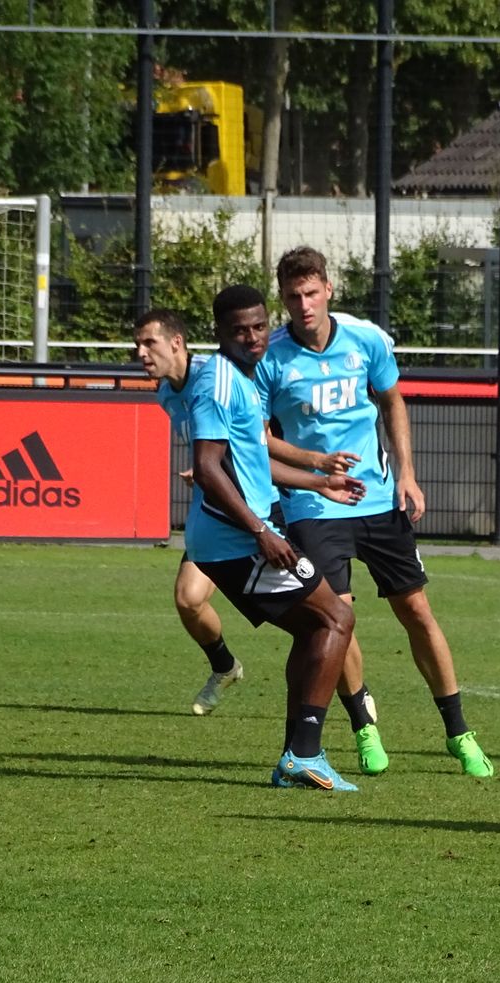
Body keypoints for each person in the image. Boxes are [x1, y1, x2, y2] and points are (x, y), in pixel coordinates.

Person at [255, 246, 494, 779]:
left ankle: (459, 732)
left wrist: (406, 474)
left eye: (311, 292)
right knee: (335, 619)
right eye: (293, 296)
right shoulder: (270, 357)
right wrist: (316, 468)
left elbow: (393, 402)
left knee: (417, 612)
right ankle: (364, 724)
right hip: (315, 504)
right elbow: (261, 438)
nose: (303, 304)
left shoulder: (365, 339)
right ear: (283, 299)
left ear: (329, 289)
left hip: (379, 500)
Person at [184, 284, 367, 790]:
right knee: (336, 616)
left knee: (316, 628)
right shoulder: (218, 381)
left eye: (259, 326)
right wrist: (261, 530)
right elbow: (207, 467)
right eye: (239, 330)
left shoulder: (242, 380)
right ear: (220, 332)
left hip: (240, 536)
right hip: (236, 541)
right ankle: (303, 753)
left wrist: (320, 481)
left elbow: (250, 462)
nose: (253, 337)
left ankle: (298, 755)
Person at [134, 308, 248, 716]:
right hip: (218, 509)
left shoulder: (214, 376)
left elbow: (250, 429)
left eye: (150, 343)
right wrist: (203, 467)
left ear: (177, 343)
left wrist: (213, 464)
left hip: (261, 506)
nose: (141, 353)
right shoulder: (166, 393)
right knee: (188, 598)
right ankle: (225, 667)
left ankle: (353, 699)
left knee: (315, 613)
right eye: (138, 345)